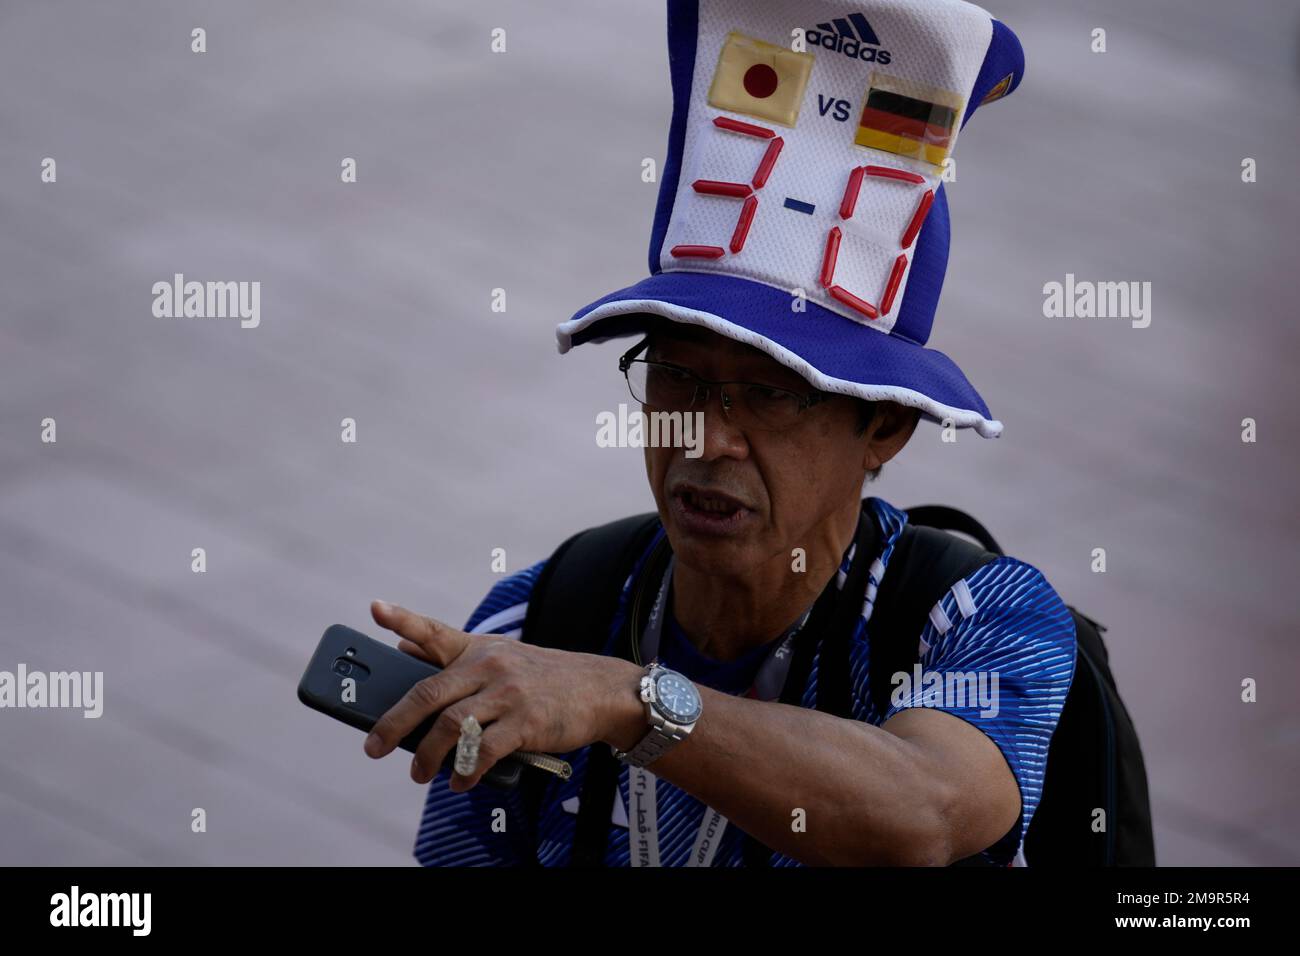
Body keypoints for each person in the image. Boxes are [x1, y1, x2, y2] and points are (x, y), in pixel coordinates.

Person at [362, 0, 1077, 866]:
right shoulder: (536, 625)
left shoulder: (974, 617)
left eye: (773, 397)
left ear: (884, 425)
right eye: (680, 378)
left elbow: (928, 809)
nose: (706, 439)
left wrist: (630, 701)